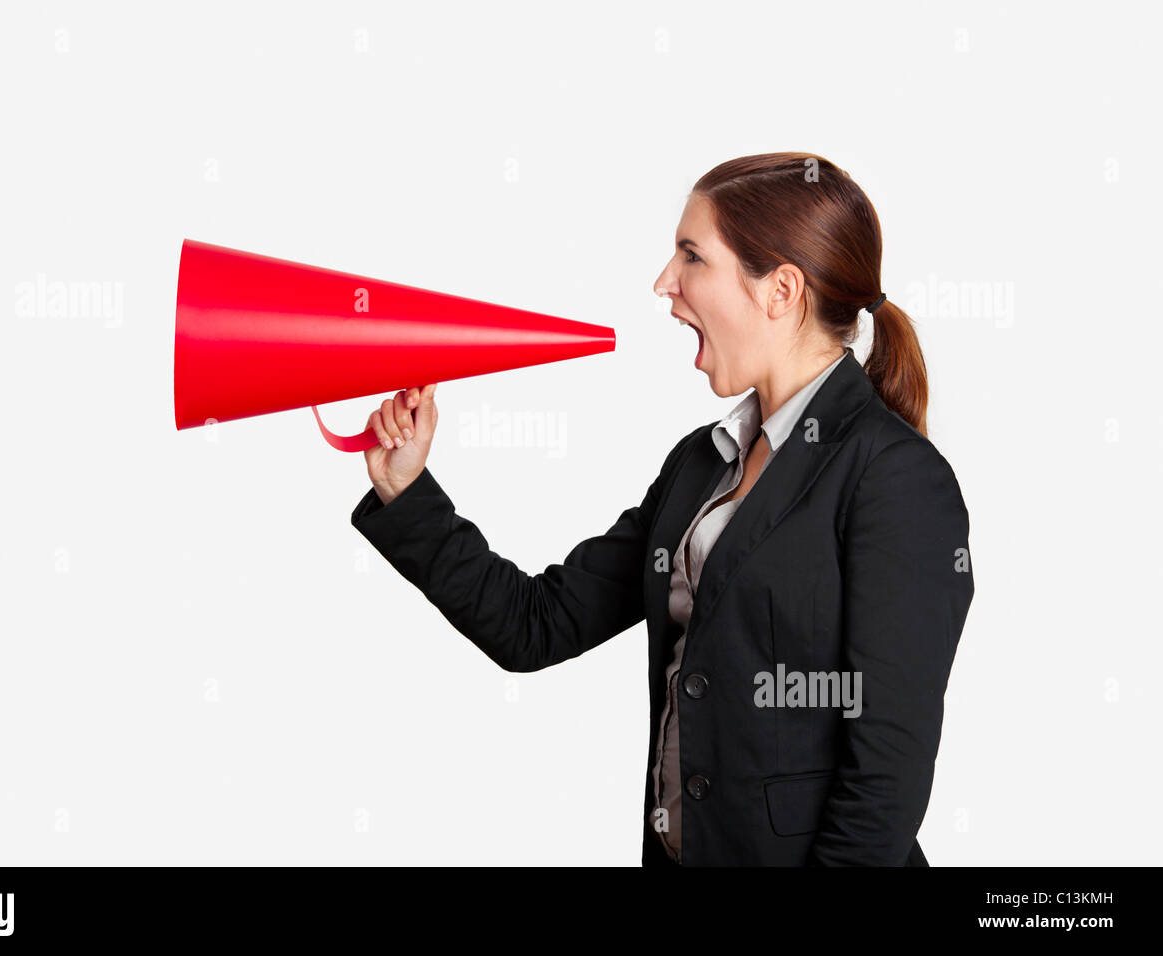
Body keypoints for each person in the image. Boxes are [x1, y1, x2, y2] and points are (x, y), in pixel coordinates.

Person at [349, 152, 975, 866]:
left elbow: (884, 787)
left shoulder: (893, 478)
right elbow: (535, 625)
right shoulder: (700, 465)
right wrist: (408, 488)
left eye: (692, 257)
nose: (664, 283)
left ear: (781, 290)